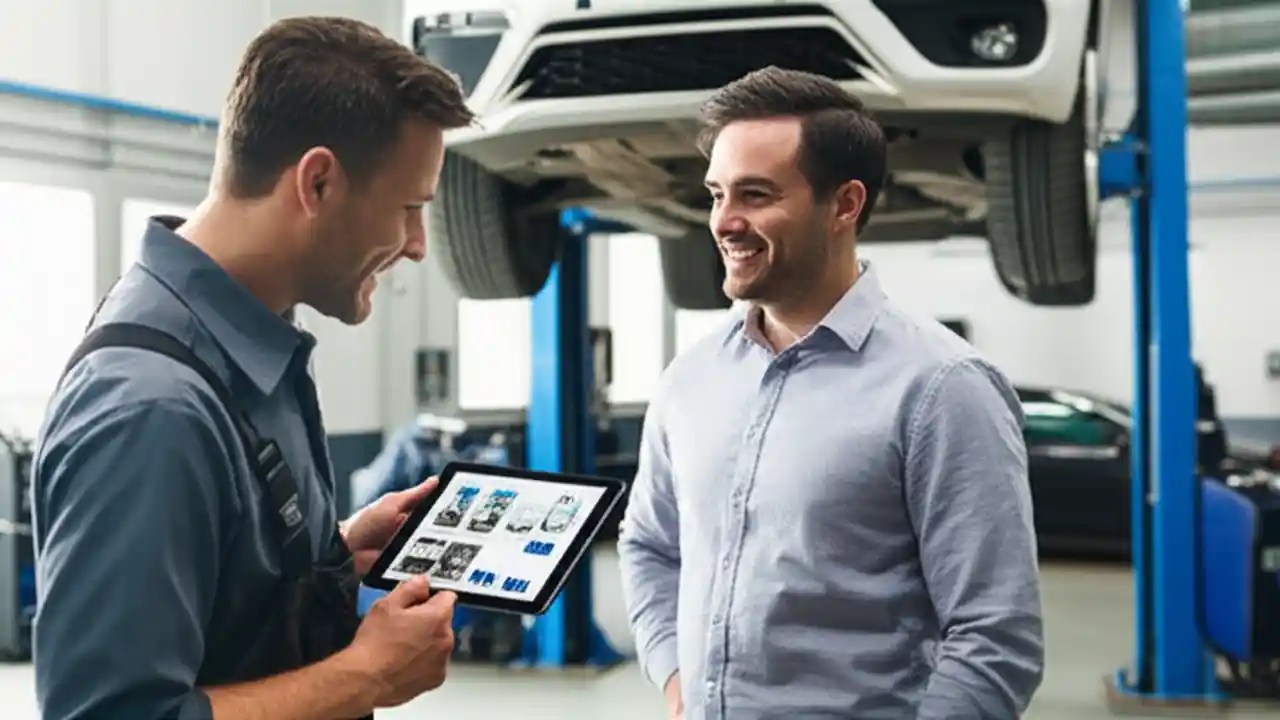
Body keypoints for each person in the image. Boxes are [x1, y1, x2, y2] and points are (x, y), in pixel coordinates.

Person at [31, 17, 475, 720]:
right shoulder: (152, 410)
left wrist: (326, 559)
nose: (417, 246)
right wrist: (368, 675)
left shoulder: (243, 344)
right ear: (319, 182)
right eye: (410, 209)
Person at [618, 66, 1045, 719]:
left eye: (755, 195)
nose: (724, 222)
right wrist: (676, 680)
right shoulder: (692, 380)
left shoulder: (941, 389)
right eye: (716, 194)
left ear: (845, 205)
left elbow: (996, 637)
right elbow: (649, 544)